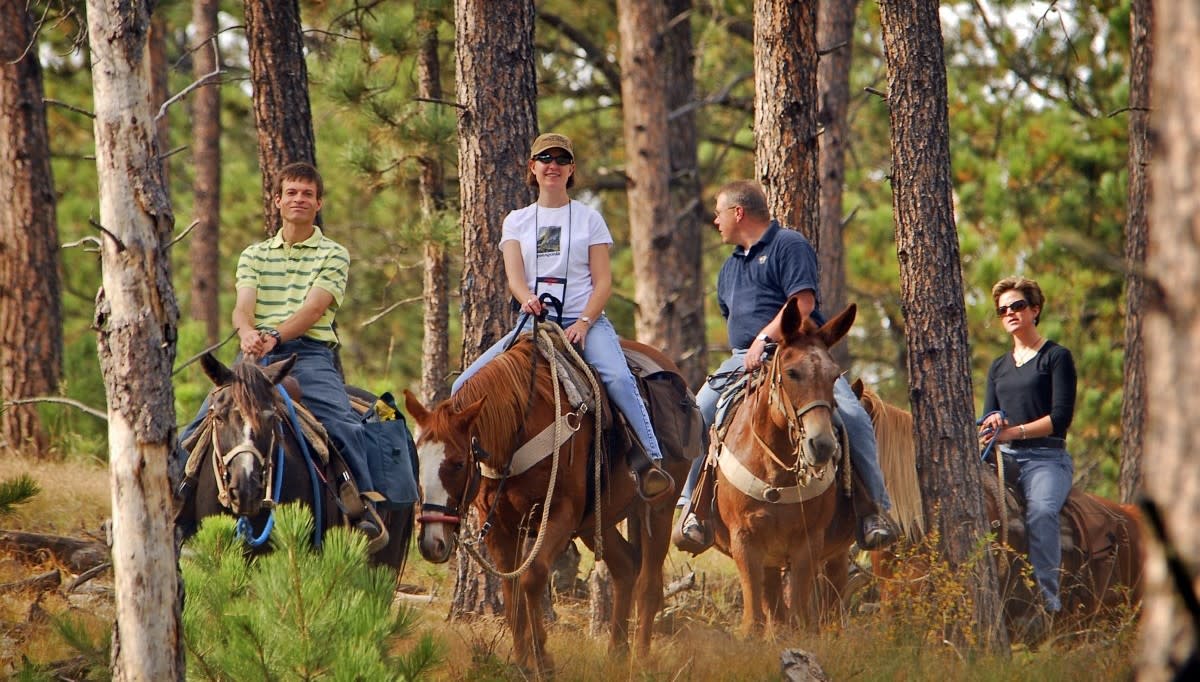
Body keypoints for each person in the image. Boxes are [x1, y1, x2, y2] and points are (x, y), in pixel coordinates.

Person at [452, 132, 673, 502]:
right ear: (532, 167)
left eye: (561, 159)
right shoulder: (517, 221)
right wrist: (527, 299)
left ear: (571, 169)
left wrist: (585, 322)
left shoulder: (590, 219)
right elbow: (514, 279)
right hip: (535, 325)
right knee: (462, 385)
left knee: (618, 377)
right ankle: (472, 477)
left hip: (584, 322)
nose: (552, 165)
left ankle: (649, 458)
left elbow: (603, 283)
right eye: (545, 158)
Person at [675, 180, 894, 550]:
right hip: (742, 360)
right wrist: (752, 347)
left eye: (719, 212)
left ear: (738, 213)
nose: (715, 220)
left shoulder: (788, 245)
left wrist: (764, 340)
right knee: (698, 414)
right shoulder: (728, 268)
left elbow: (803, 304)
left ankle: (874, 509)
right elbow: (733, 319)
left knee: (853, 417)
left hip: (797, 355)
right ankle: (691, 510)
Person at [179, 162, 387, 551]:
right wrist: (247, 333)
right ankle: (176, 499)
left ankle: (362, 511)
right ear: (277, 201)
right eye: (291, 192)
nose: (299, 199)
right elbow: (243, 306)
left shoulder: (333, 254)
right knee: (199, 424)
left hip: (309, 356)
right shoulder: (254, 255)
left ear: (318, 202)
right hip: (256, 357)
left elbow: (313, 309)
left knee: (343, 424)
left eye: (307, 194)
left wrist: (274, 334)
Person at [978, 276, 1076, 615]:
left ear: (1035, 310)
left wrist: (1014, 432)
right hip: (1004, 459)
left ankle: (1047, 602)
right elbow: (990, 413)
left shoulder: (1056, 357)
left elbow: (1060, 418)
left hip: (1046, 460)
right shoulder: (998, 366)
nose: (1010, 313)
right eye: (1003, 309)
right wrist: (991, 425)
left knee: (1042, 512)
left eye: (1018, 306)